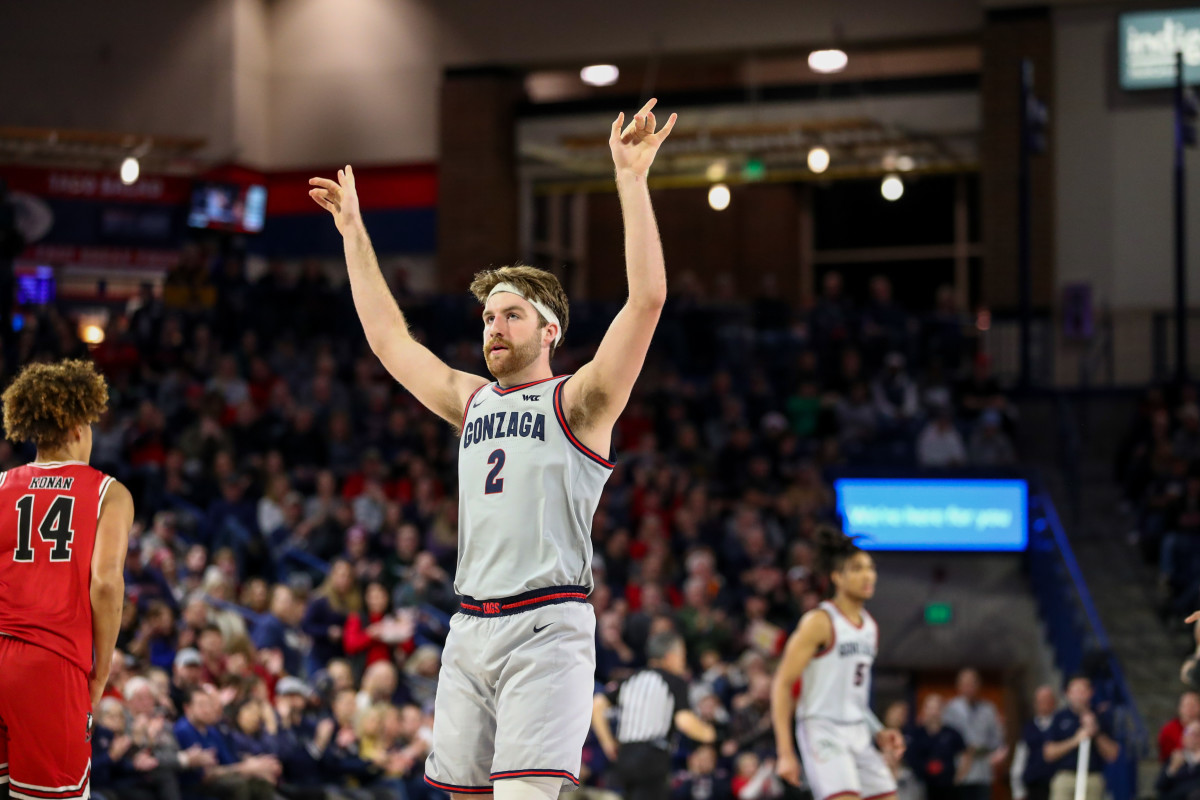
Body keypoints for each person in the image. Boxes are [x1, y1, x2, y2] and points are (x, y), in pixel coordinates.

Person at [310, 98, 677, 800]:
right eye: (487, 317)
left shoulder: (581, 400)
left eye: (512, 314)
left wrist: (631, 180)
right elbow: (390, 342)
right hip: (471, 624)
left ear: (550, 332)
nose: (494, 326)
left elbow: (648, 300)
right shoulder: (471, 399)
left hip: (546, 623)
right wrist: (353, 228)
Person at [0, 359, 135, 800]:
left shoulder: (1, 484)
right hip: (50, 664)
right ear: (78, 427)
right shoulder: (107, 491)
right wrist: (102, 669)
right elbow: (106, 583)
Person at [769, 527, 905, 800]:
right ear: (837, 577)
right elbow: (782, 685)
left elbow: (852, 696)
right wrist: (785, 752)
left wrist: (877, 730)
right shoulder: (819, 622)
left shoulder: (870, 627)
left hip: (857, 731)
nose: (868, 575)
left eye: (870, 568)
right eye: (857, 569)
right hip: (823, 729)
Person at [590, 632, 717, 800]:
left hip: (624, 756)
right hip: (652, 757)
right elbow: (684, 721)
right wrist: (708, 733)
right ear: (670, 656)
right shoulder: (674, 681)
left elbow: (597, 704)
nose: (683, 660)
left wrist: (607, 743)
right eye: (682, 655)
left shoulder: (630, 679)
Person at [1042, 675, 1119, 800]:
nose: (1079, 695)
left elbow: (1113, 754)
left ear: (1091, 692)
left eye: (1083, 691)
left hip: (1092, 777)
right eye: (1076, 691)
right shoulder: (1059, 717)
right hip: (1065, 776)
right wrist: (1075, 740)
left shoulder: (1101, 717)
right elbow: (1048, 753)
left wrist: (1095, 731)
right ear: (1068, 693)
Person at [942, 668, 1008, 800]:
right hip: (958, 771)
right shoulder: (950, 709)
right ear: (959, 686)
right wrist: (964, 748)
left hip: (982, 771)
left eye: (973, 684)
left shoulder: (989, 709)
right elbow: (944, 738)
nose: (969, 688)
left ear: (979, 686)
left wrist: (983, 747)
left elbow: (997, 738)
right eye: (966, 684)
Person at [907, 694, 966, 800]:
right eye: (930, 708)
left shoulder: (952, 733)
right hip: (920, 786)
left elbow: (965, 754)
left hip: (947, 787)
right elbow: (910, 759)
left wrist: (958, 778)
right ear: (924, 710)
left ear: (942, 710)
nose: (933, 712)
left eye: (937, 708)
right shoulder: (915, 734)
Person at [1010, 685, 1058, 800]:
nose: (1044, 704)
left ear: (1054, 703)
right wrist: (1017, 790)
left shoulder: (1060, 725)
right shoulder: (1028, 728)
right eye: (1041, 701)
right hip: (1034, 784)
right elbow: (1020, 759)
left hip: (1056, 783)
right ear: (1035, 704)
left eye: (1048, 700)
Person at [1157, 721, 1200, 800]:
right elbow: (1160, 786)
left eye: (1197, 734)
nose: (1193, 738)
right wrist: (1172, 768)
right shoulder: (1175, 758)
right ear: (1183, 738)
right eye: (1190, 734)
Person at [1161, 691, 1200, 762]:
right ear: (1180, 708)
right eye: (1186, 705)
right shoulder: (1169, 730)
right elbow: (1166, 759)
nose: (1190, 709)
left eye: (1193, 705)